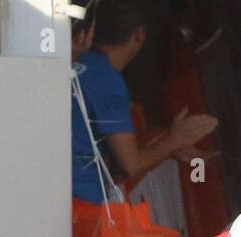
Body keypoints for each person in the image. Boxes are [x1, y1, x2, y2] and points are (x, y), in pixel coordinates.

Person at [71, 0, 217, 204]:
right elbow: (131, 167)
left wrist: (168, 142)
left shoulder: (82, 62)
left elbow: (118, 147)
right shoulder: (107, 80)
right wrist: (175, 139)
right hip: (80, 204)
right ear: (139, 35)